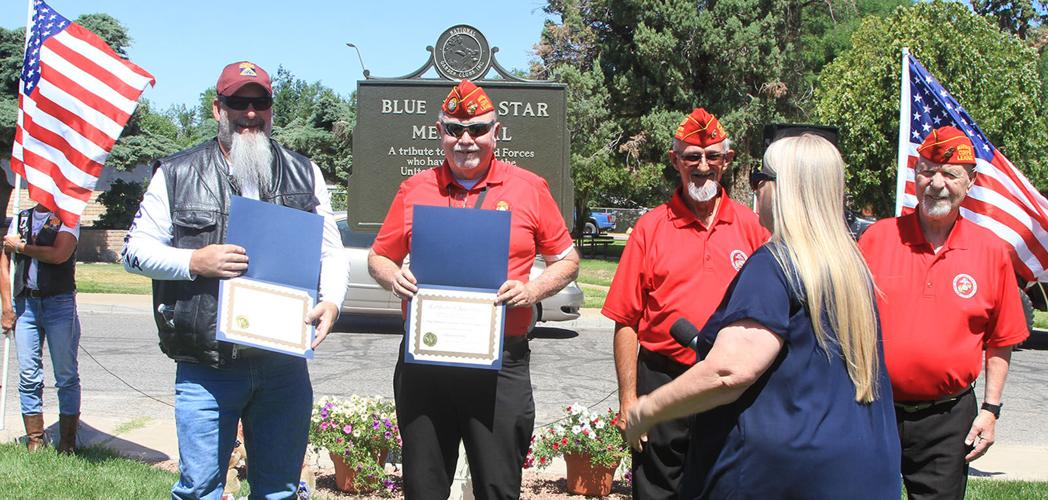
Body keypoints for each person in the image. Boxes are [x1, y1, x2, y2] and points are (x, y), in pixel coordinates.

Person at [625, 134, 901, 498]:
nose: (755, 188)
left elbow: (729, 372)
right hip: (864, 467)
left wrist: (648, 409)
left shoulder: (775, 265)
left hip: (787, 476)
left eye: (760, 178)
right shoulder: (852, 268)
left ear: (784, 189)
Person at [122, 61, 348, 499]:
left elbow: (330, 251)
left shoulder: (305, 173)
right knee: (199, 489)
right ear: (217, 109)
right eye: (237, 103)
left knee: (279, 489)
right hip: (207, 365)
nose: (249, 113)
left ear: (271, 108)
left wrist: (332, 301)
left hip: (282, 365)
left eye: (259, 102)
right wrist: (194, 261)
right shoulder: (176, 173)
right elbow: (133, 252)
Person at [367, 79, 579, 499]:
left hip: (500, 364)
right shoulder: (414, 189)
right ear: (439, 132)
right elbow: (379, 257)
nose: (466, 140)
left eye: (478, 129)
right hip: (427, 364)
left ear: (496, 132)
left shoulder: (530, 187)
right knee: (423, 488)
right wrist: (393, 277)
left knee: (498, 487)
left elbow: (568, 261)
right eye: (455, 129)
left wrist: (532, 290)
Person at [601, 108, 768, 498]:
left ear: (727, 160)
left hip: (727, 384)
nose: (703, 166)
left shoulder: (754, 228)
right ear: (675, 160)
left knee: (724, 488)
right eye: (692, 156)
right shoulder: (650, 228)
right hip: (663, 379)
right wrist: (628, 399)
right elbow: (626, 319)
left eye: (712, 156)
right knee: (658, 490)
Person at [858, 125, 1027, 499]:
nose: (936, 184)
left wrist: (991, 410)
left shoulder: (991, 252)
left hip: (948, 420)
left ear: (970, 181)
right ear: (915, 175)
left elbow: (1001, 340)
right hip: (873, 411)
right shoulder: (876, 239)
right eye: (927, 171)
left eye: (949, 174)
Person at [0, 204, 81, 453]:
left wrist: (21, 247)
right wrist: (7, 305)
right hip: (25, 303)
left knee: (66, 375)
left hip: (59, 303)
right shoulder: (21, 218)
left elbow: (59, 254)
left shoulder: (68, 216)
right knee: (28, 374)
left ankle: (67, 442)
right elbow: (5, 262)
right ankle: (35, 439)